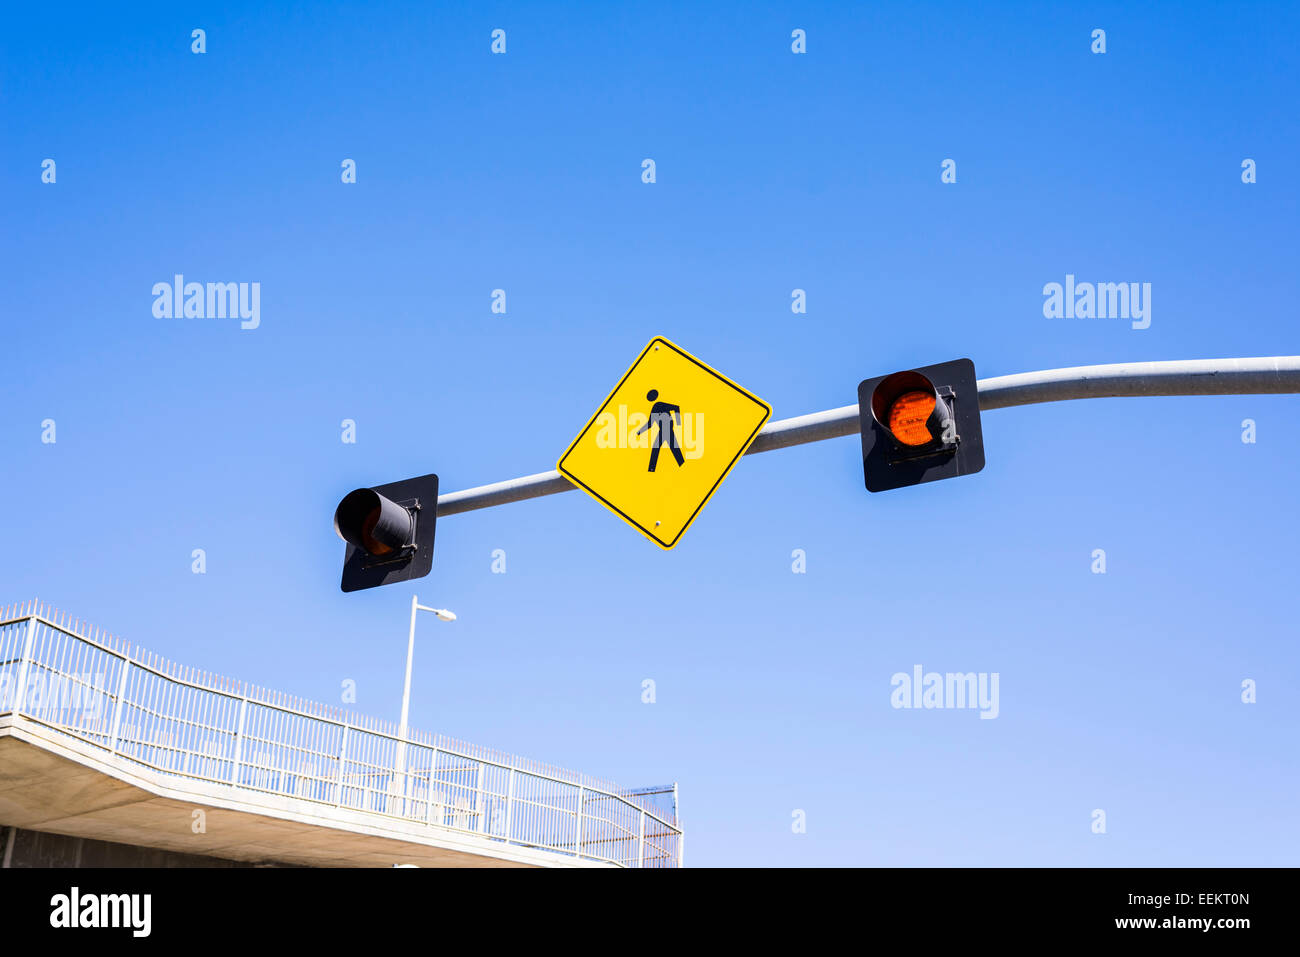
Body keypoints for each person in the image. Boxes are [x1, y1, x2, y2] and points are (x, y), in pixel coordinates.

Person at [635, 389, 685, 472]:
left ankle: (651, 469)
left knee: (658, 447)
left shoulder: (659, 404)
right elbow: (650, 423)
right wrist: (639, 432)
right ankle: (682, 463)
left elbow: (676, 407)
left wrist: (678, 422)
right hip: (663, 429)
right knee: (673, 448)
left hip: (666, 428)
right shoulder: (655, 407)